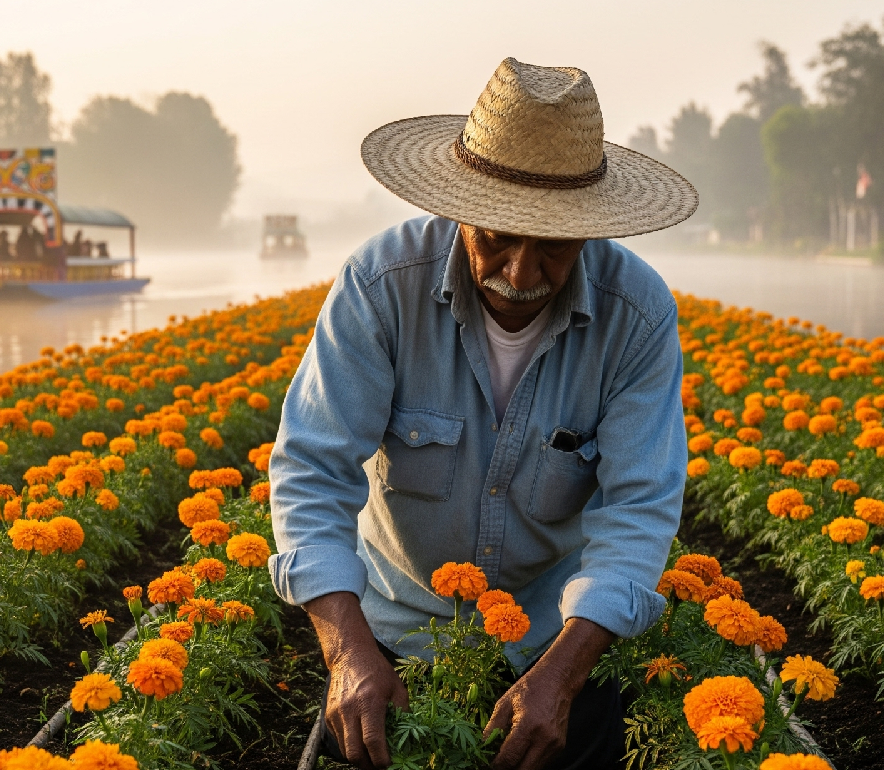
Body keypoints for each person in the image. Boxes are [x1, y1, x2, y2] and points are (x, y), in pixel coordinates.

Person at [268, 58, 698, 770]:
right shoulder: (381, 287)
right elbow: (312, 471)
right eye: (497, 235)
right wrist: (348, 652)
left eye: (554, 246)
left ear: (591, 231)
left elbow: (640, 509)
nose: (522, 275)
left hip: (552, 640)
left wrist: (561, 674)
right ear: (458, 206)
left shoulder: (637, 316)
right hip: (395, 639)